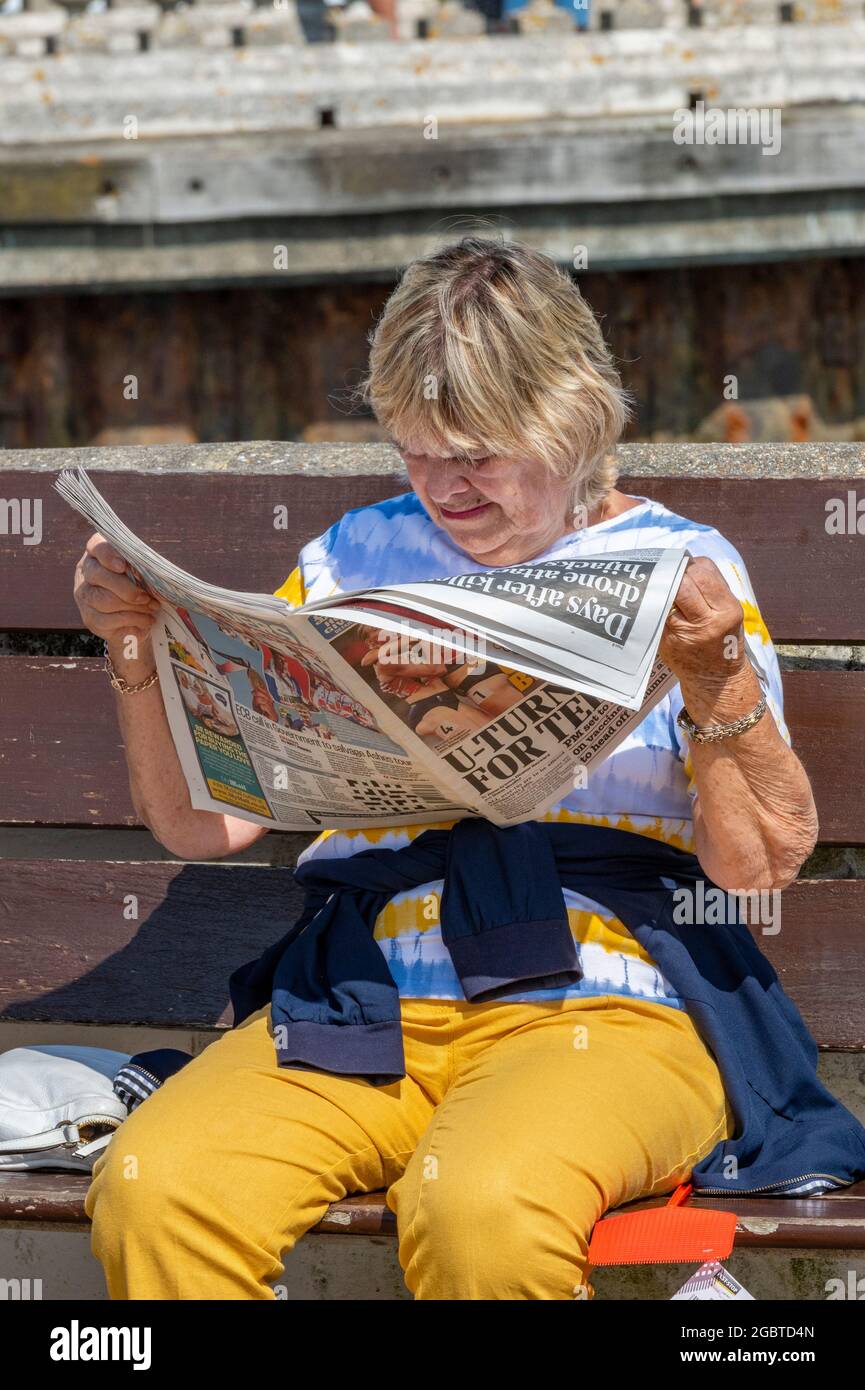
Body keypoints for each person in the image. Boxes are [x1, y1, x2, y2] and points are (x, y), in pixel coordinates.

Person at [73, 236, 839, 1302]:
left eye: (475, 454)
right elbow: (207, 828)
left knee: (482, 1205)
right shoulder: (350, 556)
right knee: (162, 1187)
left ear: (572, 416)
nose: (443, 490)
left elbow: (757, 865)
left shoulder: (683, 564)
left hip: (605, 1008)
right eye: (414, 453)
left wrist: (711, 671)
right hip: (363, 1002)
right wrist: (133, 651)